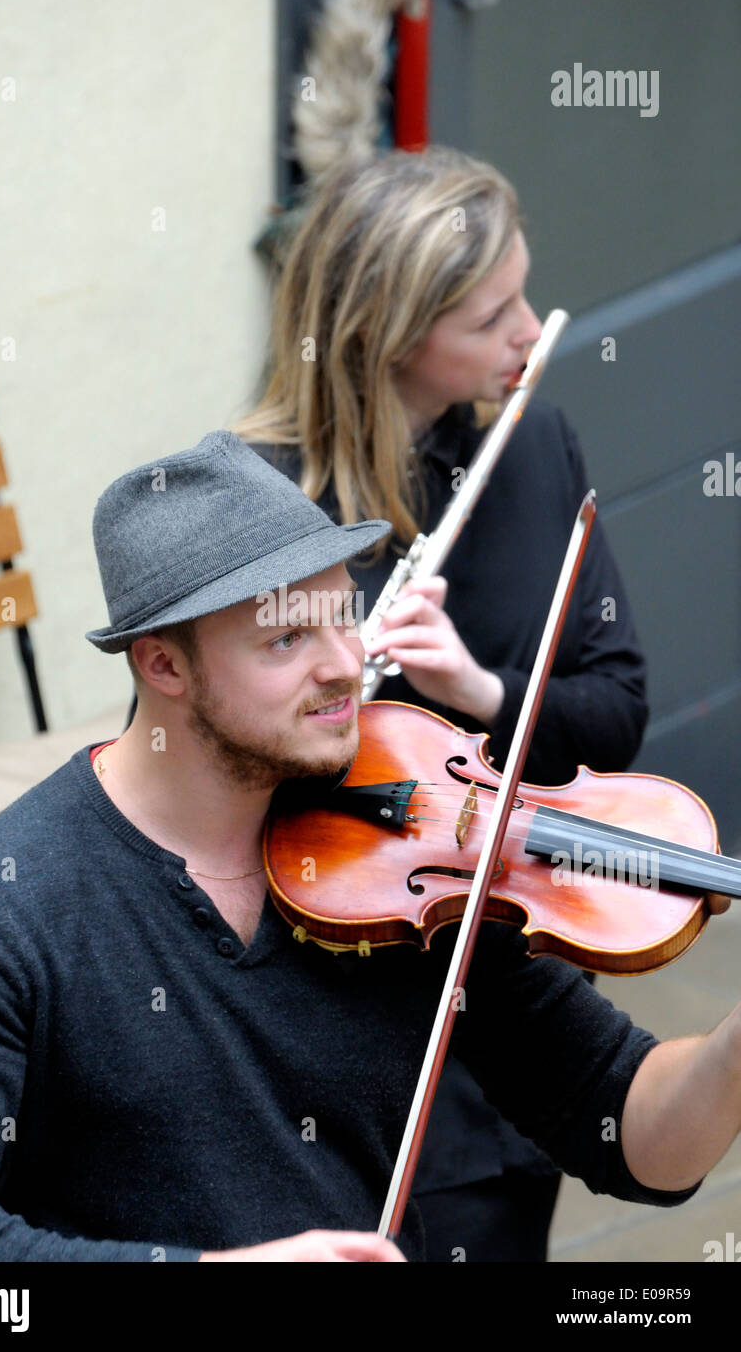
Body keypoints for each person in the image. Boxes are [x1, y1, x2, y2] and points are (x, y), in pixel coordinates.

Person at [0, 431, 733, 1263]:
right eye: (286, 638)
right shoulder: (2, 902)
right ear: (163, 667)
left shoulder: (409, 859)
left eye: (343, 618)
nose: (342, 666)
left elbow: (631, 1129)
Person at [235, 146, 649, 1260]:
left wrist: (475, 690)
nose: (530, 330)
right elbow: (195, 775)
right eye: (490, 314)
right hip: (322, 975)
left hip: (502, 953)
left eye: (524, 290)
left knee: (497, 1215)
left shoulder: (533, 446)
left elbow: (614, 714)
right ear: (386, 332)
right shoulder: (253, 501)